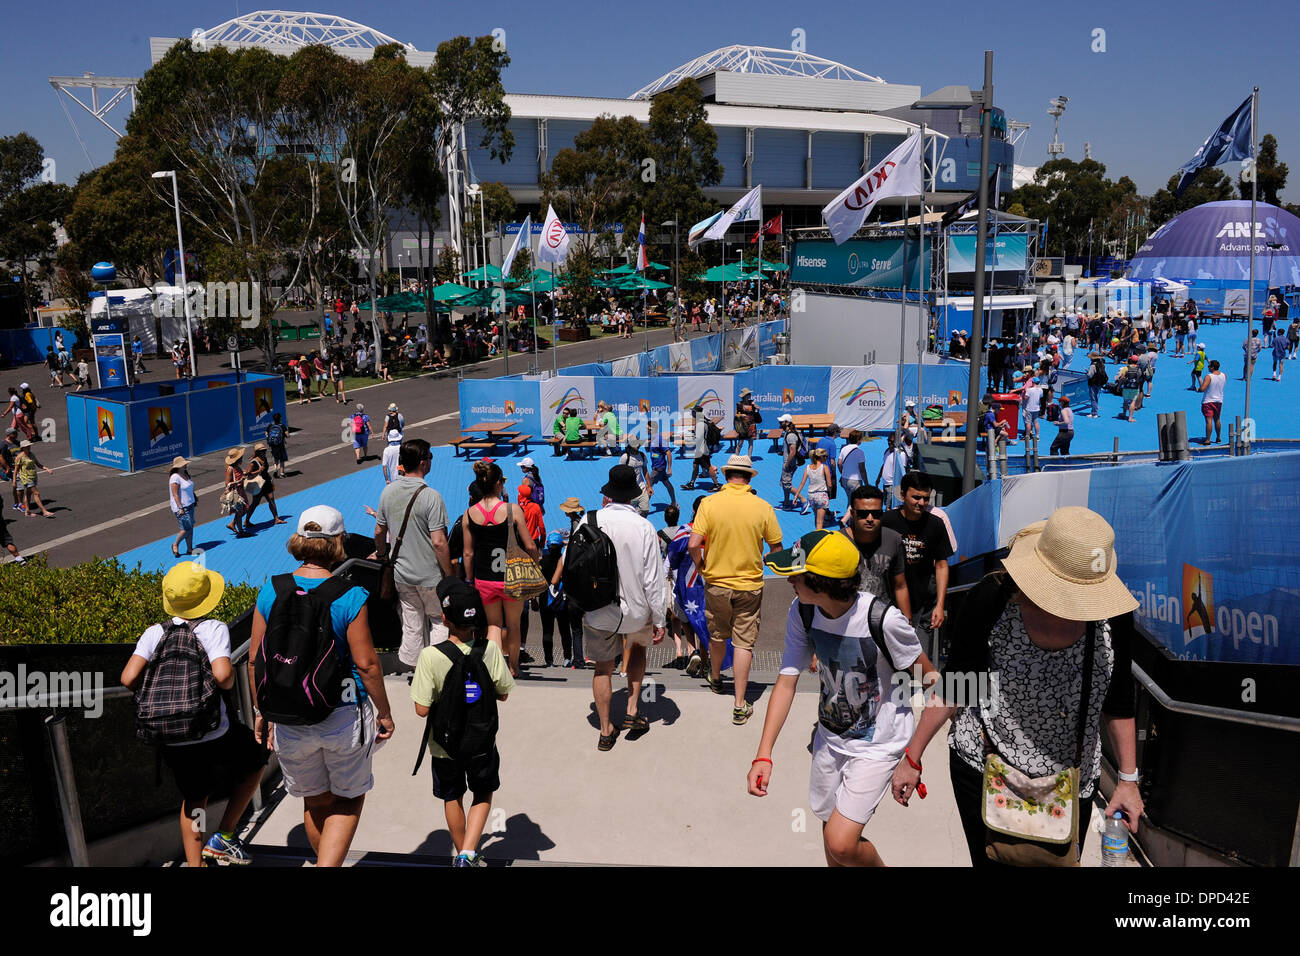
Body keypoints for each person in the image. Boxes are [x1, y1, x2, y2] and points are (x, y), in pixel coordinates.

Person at [891, 507, 1143, 868]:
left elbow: (1118, 701)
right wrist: (912, 758)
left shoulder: (1113, 616)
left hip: (1069, 780)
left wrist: (1128, 781)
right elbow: (957, 685)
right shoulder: (992, 598)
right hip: (984, 765)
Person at [747, 529, 925, 867]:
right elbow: (787, 682)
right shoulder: (803, 611)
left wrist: (913, 757)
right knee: (831, 833)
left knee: (842, 844)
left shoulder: (883, 620)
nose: (788, 581)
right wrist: (763, 755)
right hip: (830, 739)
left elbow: (931, 680)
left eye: (795, 575)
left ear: (820, 582)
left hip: (877, 746)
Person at [250, 506, 393, 867]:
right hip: (342, 712)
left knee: (314, 801)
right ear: (339, 541)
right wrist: (385, 714)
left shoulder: (271, 589)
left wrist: (260, 711)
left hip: (288, 716)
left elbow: (254, 659)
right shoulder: (350, 596)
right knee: (348, 799)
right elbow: (367, 664)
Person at [121, 562, 269, 866]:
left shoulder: (154, 633)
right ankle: (225, 836)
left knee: (194, 800)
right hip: (211, 730)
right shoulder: (212, 628)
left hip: (170, 737)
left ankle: (194, 863)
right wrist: (220, 684)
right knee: (256, 759)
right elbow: (224, 675)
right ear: (206, 598)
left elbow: (127, 678)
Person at [411, 576, 514, 867]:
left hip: (445, 745)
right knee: (482, 791)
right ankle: (469, 852)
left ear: (444, 618)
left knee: (452, 796)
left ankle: (463, 854)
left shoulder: (430, 656)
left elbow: (421, 709)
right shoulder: (490, 650)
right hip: (481, 740)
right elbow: (503, 694)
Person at [576, 465, 668, 751]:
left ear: (609, 492)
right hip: (636, 610)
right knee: (638, 650)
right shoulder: (643, 527)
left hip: (598, 609)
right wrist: (660, 618)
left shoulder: (588, 520)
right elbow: (654, 579)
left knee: (602, 668)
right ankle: (631, 709)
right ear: (633, 494)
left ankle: (605, 730)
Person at [689, 455, 782, 725]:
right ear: (750, 477)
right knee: (744, 643)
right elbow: (776, 548)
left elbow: (694, 544)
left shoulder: (709, 503)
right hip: (749, 585)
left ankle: (716, 677)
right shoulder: (762, 507)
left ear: (727, 475)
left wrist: (702, 564)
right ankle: (740, 704)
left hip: (717, 582)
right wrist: (766, 560)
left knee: (717, 634)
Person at [375, 438, 452, 668]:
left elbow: (379, 531)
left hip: (402, 573)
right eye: (430, 457)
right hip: (429, 575)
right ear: (422, 463)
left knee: (411, 622)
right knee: (439, 620)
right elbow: (439, 542)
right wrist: (449, 575)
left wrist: (382, 556)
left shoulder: (388, 492)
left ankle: (414, 667)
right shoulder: (431, 496)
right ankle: (436, 667)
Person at [462, 459, 539, 677]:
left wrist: (469, 580)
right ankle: (513, 668)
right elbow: (530, 544)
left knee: (493, 625)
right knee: (513, 625)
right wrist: (535, 567)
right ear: (499, 484)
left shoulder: (470, 514)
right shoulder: (512, 510)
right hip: (511, 577)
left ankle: (493, 668)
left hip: (484, 577)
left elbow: (468, 552)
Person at [882, 471, 952, 660]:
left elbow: (941, 565)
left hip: (924, 604)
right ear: (902, 495)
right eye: (916, 497)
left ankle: (921, 689)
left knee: (920, 658)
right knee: (892, 658)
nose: (921, 503)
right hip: (890, 603)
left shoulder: (936, 524)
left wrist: (940, 605)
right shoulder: (887, 522)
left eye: (925, 498)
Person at [844, 485, 910, 613]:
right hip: (848, 620)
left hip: (883, 618)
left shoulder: (893, 539)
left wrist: (908, 623)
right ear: (852, 513)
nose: (870, 519)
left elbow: (900, 586)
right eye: (863, 514)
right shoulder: (838, 542)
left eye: (876, 514)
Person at [244, 443, 287, 526]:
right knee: (255, 503)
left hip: (266, 482)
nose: (264, 452)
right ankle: (246, 521)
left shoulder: (264, 459)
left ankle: (276, 519)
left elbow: (265, 471)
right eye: (262, 451)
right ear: (257, 452)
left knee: (271, 499)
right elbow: (247, 474)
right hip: (258, 485)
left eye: (264, 450)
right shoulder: (253, 462)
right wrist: (258, 470)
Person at [793, 447, 832, 529]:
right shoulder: (824, 467)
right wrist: (829, 492)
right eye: (825, 456)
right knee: (820, 523)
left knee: (817, 520)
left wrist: (796, 496)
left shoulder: (808, 467)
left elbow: (802, 483)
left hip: (811, 496)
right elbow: (829, 484)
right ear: (821, 457)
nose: (826, 458)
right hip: (821, 495)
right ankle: (819, 539)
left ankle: (817, 535)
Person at [13, 441, 54, 518]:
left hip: (33, 477)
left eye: (29, 445)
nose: (29, 447)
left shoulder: (31, 454)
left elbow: (38, 464)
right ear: (23, 448)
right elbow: (16, 470)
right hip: (26, 478)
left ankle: (27, 511)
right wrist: (14, 480)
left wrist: (46, 469)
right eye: (27, 446)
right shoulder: (19, 457)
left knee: (28, 494)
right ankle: (44, 511)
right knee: (36, 493)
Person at [682, 406, 717, 491]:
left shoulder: (700, 424)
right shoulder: (700, 422)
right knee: (695, 466)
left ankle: (716, 484)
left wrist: (687, 437)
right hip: (699, 450)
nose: (692, 413)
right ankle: (691, 483)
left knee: (709, 467)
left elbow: (699, 438)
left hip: (702, 450)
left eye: (693, 412)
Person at [168, 456, 197, 557]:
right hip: (182, 507)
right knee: (186, 529)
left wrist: (194, 499)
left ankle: (189, 549)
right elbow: (175, 494)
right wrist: (180, 508)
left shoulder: (185, 474)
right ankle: (175, 544)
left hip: (190, 504)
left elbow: (189, 490)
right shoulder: (175, 477)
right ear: (178, 466)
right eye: (184, 464)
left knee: (190, 527)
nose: (186, 465)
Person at [617, 435, 651, 515]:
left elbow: (645, 471)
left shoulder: (642, 455)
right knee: (628, 514)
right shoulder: (625, 457)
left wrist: (649, 486)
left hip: (641, 488)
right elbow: (620, 473)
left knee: (645, 510)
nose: (638, 447)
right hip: (629, 490)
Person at [645, 422, 676, 508]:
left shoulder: (659, 439)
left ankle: (643, 506)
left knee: (648, 486)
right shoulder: (652, 439)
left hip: (658, 469)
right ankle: (674, 502)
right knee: (667, 484)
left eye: (648, 428)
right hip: (659, 467)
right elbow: (654, 452)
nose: (646, 430)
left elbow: (668, 453)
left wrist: (669, 469)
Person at [223, 447, 251, 537]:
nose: (242, 458)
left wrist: (244, 474)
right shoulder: (230, 469)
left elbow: (239, 474)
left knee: (246, 508)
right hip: (236, 492)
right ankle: (241, 532)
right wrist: (239, 481)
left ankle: (233, 524)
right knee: (239, 512)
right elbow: (227, 483)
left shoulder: (236, 466)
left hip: (241, 491)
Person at [876, 434, 909, 508]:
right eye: (888, 441)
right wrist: (878, 478)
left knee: (889, 507)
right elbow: (884, 465)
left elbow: (902, 471)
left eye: (892, 441)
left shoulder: (901, 454)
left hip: (892, 484)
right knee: (886, 505)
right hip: (885, 483)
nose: (889, 443)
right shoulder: (887, 451)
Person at [1198, 358, 1226, 445]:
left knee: (1208, 420)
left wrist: (1198, 389)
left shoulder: (1209, 376)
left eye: (1209, 366)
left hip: (1208, 401)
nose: (1208, 367)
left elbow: (1203, 388)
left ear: (1212, 367)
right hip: (1219, 400)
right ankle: (1218, 437)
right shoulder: (1224, 375)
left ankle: (1208, 439)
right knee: (1217, 419)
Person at [778, 414, 802, 509]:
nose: (780, 423)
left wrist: (787, 463)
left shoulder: (790, 435)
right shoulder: (788, 433)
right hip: (789, 462)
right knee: (783, 483)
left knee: (786, 484)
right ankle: (786, 503)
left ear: (787, 423)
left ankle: (803, 500)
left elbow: (793, 451)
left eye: (781, 422)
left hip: (789, 463)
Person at [837, 430, 868, 499]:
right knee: (855, 502)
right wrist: (866, 483)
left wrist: (843, 473)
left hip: (845, 479)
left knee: (850, 499)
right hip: (855, 481)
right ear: (859, 440)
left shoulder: (843, 449)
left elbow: (839, 463)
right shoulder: (860, 452)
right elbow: (862, 469)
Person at [733, 388, 762, 458]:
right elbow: (736, 414)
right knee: (740, 442)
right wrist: (741, 415)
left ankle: (749, 458)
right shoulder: (739, 404)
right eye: (748, 394)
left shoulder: (752, 403)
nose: (750, 395)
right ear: (744, 396)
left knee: (751, 442)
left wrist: (755, 406)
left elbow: (758, 409)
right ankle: (736, 457)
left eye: (750, 394)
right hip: (743, 426)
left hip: (751, 425)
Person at [264, 412, 289, 478]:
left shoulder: (270, 426)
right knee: (282, 459)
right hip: (280, 445)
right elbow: (287, 435)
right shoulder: (282, 426)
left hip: (273, 445)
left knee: (276, 458)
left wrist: (268, 438)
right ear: (280, 418)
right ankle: (282, 473)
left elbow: (266, 433)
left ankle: (275, 470)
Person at [1020, 375, 1044, 441]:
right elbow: (1040, 397)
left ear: (1033, 382)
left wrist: (1024, 396)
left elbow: (1025, 398)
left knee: (1028, 422)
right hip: (1036, 408)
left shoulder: (1029, 390)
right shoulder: (1040, 390)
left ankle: (1027, 436)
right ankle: (1037, 436)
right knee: (1036, 422)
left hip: (1029, 408)